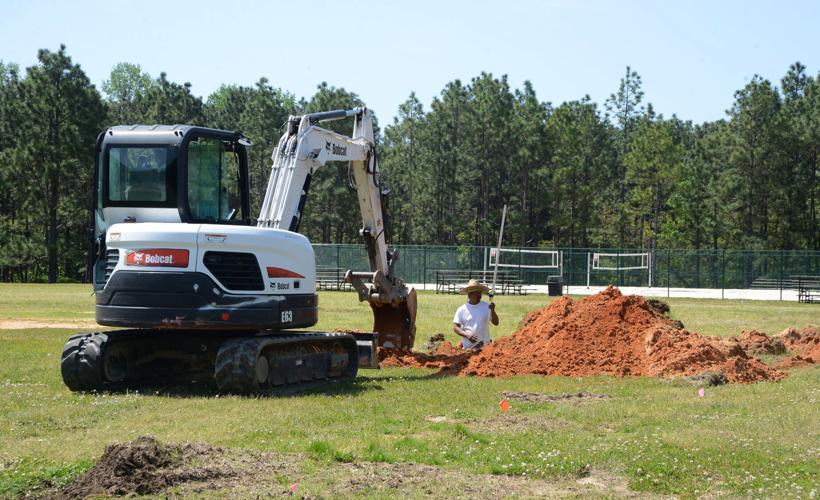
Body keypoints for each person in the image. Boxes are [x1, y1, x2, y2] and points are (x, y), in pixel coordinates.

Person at [452, 279, 499, 349]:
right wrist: (467, 335)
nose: (479, 295)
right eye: (477, 292)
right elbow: (455, 328)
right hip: (468, 349)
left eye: (480, 292)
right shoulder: (461, 309)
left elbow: (496, 323)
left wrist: (492, 310)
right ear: (470, 294)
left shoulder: (487, 306)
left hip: (485, 347)